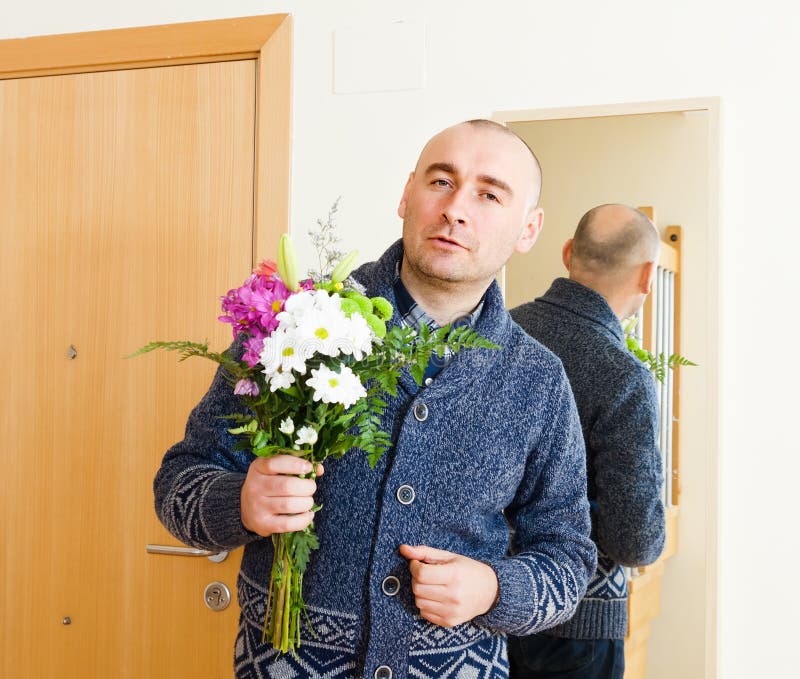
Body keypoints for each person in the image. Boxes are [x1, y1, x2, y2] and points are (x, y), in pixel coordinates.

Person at [154, 119, 596, 679]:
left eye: (488, 194)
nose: (456, 208)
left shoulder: (538, 380)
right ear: (406, 195)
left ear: (527, 229)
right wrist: (237, 503)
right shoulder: (294, 324)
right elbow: (178, 482)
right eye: (441, 181)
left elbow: (568, 560)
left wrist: (493, 588)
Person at [508, 204, 667, 679]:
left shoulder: (499, 334)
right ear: (647, 277)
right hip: (575, 627)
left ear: (567, 253)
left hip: (479, 607)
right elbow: (634, 539)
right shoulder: (623, 377)